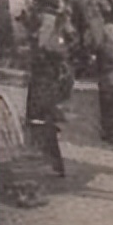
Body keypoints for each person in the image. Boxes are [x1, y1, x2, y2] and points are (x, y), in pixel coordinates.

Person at [26, 14, 73, 177]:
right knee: (43, 125)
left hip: (43, 88)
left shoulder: (48, 41)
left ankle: (53, 164)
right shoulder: (50, 41)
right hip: (44, 88)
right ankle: (53, 164)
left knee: (42, 125)